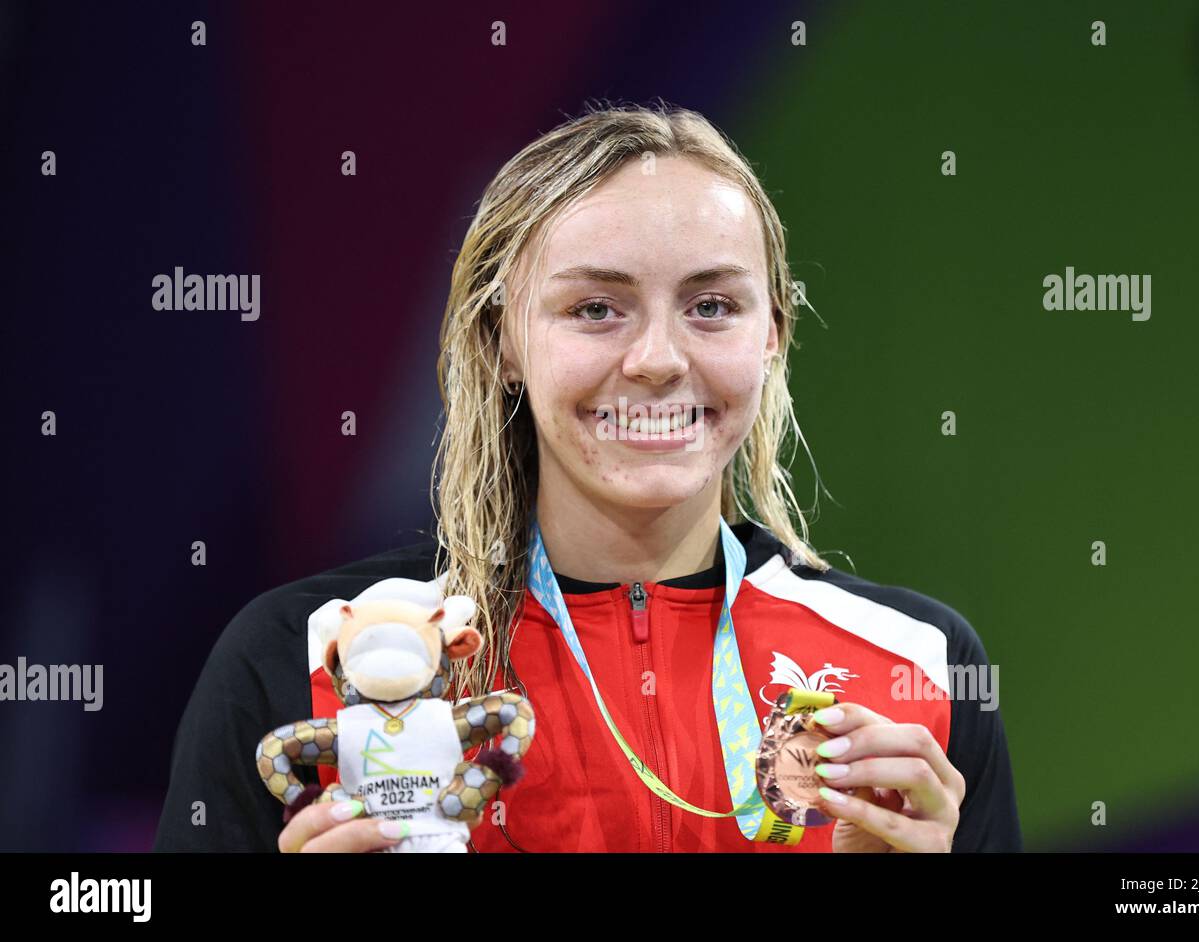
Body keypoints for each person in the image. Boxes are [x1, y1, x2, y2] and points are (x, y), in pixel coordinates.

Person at [153, 102, 1022, 853]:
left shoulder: (918, 667)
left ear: (773, 337)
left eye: (712, 306)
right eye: (595, 309)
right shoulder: (301, 656)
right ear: (501, 342)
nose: (655, 360)